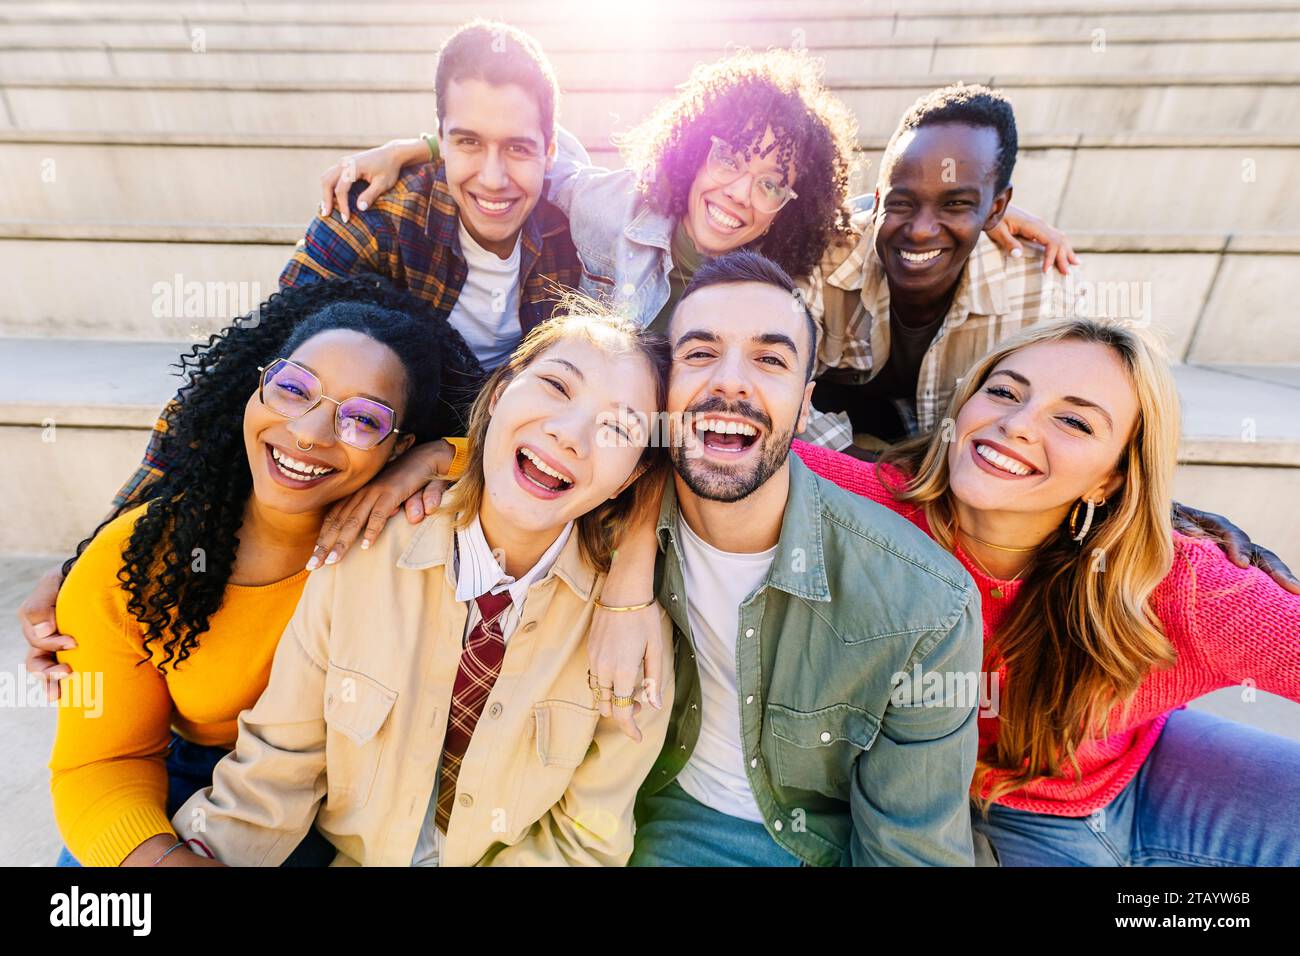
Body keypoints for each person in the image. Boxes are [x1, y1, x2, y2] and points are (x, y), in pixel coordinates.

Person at [166, 301, 675, 867]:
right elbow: (277, 769)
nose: (570, 434)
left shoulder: (630, 640)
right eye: (556, 386)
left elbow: (585, 839)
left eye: (619, 426)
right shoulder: (361, 556)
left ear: (631, 475)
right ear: (499, 393)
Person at [791, 319, 1300, 865]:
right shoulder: (859, 505)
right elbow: (716, 452)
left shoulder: (1182, 581)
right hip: (997, 811)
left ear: (1112, 478)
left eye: (1074, 421)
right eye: (1005, 391)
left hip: (1148, 764)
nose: (1017, 424)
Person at [47, 277, 478, 866]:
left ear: (396, 448)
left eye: (363, 420)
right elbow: (102, 762)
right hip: (195, 780)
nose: (308, 432)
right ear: (255, 390)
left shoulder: (409, 527)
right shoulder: (138, 559)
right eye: (294, 389)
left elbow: (547, 463)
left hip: (348, 796)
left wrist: (444, 455)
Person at [625, 251, 983, 866]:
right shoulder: (602, 511)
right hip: (656, 815)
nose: (731, 381)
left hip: (819, 847)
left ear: (804, 400)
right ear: (663, 387)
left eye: (769, 359)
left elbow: (910, 850)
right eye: (700, 353)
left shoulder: (924, 606)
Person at [323, 54, 1076, 338]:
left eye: (772, 182)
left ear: (792, 202)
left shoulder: (790, 255)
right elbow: (538, 157)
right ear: (695, 149)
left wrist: (976, 218)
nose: (739, 194)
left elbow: (880, 217)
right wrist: (414, 146)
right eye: (730, 158)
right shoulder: (613, 208)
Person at [806, 83, 1077, 453]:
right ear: (879, 198)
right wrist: (871, 476)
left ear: (997, 209)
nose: (920, 230)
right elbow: (768, 390)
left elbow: (1047, 432)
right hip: (843, 455)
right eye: (902, 203)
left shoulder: (1039, 289)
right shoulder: (825, 255)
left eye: (955, 205)